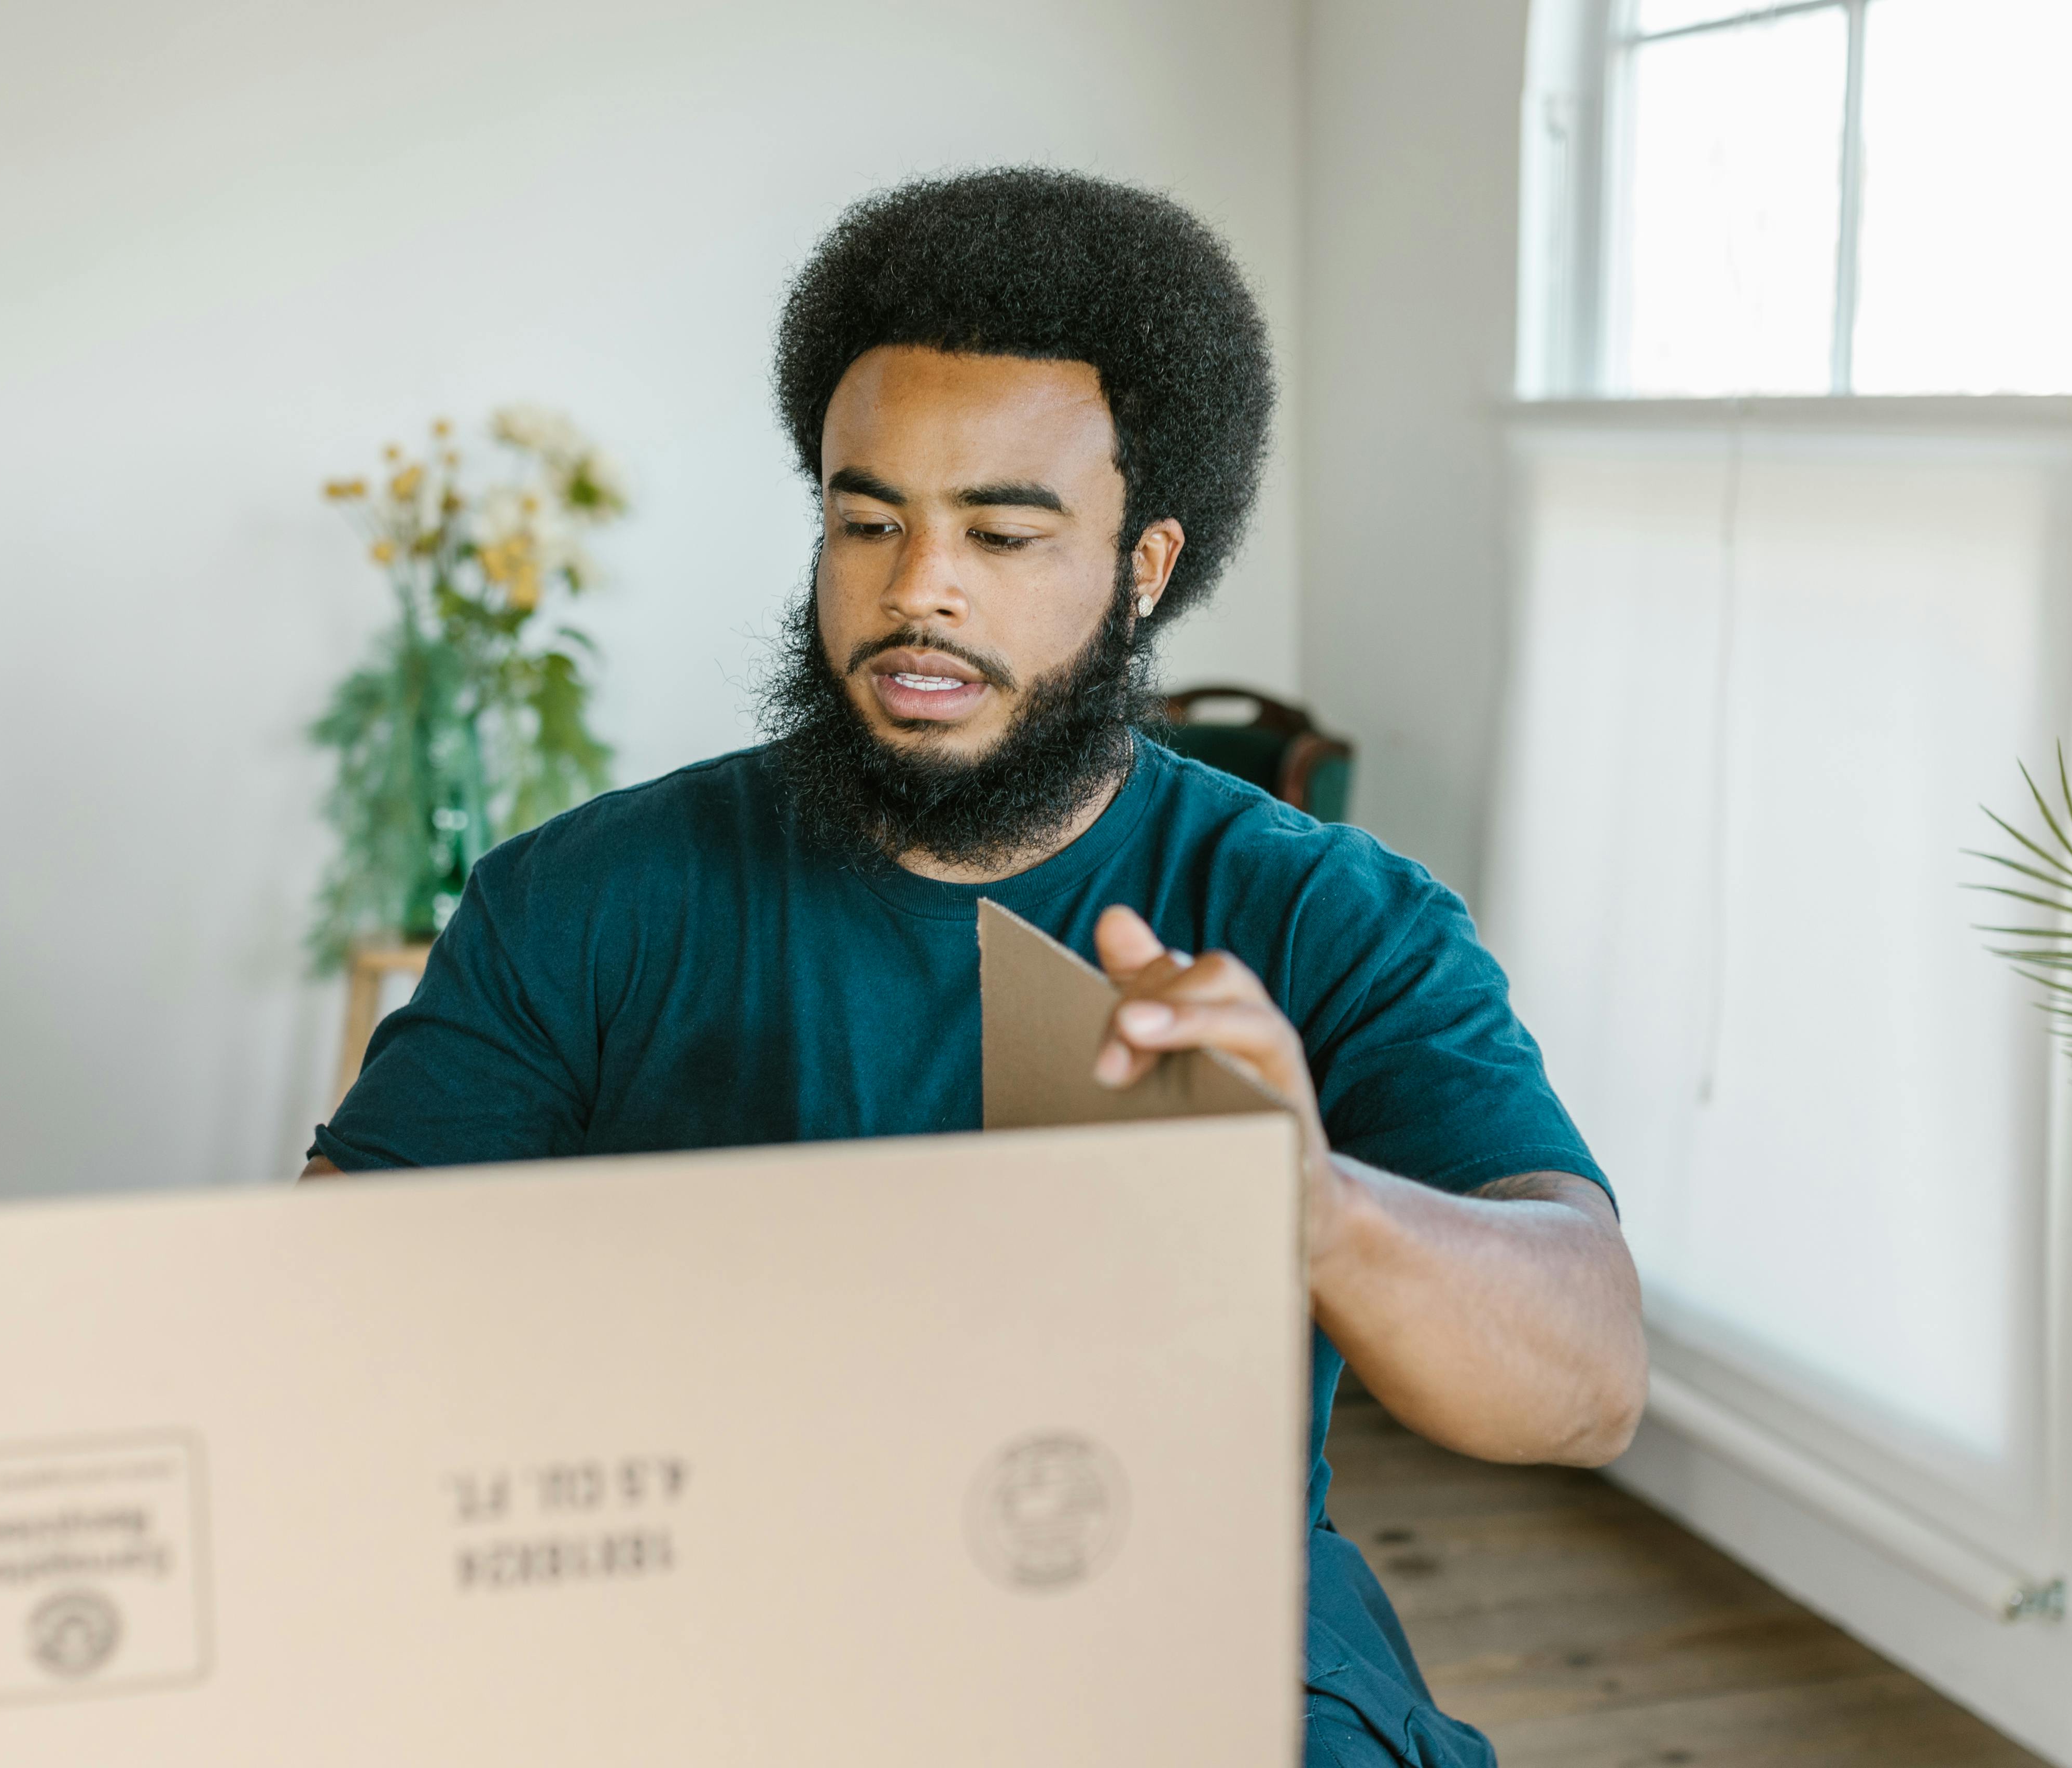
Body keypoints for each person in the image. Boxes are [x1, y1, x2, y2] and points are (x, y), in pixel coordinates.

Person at [305, 167, 1646, 1768]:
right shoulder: (582, 901)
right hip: (702, 1611)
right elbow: (329, 1325)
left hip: (1161, 1620)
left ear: (1146, 568)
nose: (914, 586)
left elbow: (1588, 1379)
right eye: (865, 520)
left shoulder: (1330, 916)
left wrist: (1320, 1212)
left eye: (1001, 533)